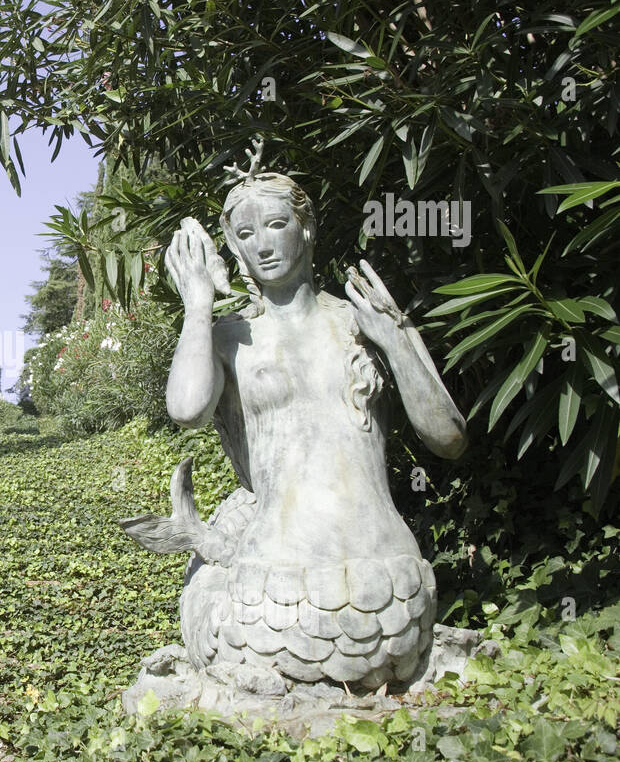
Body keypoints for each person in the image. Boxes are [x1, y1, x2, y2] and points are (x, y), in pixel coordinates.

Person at [121, 156, 467, 689]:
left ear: (306, 227)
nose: (262, 243)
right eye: (245, 234)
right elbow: (186, 409)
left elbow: (448, 438)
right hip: (279, 593)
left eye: (276, 224)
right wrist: (197, 304)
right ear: (234, 250)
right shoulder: (230, 339)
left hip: (384, 586)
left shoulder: (363, 320)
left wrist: (397, 338)